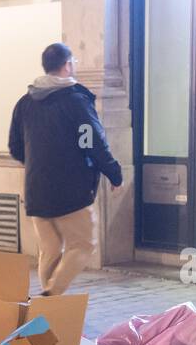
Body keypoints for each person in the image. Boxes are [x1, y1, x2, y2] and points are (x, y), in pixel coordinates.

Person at [8, 42, 122, 297]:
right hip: (71, 192)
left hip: (36, 190)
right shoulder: (75, 102)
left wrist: (40, 164)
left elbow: (15, 146)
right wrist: (113, 172)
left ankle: (48, 304)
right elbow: (93, 141)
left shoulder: (25, 102)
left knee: (49, 249)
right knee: (82, 245)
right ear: (67, 65)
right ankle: (52, 294)